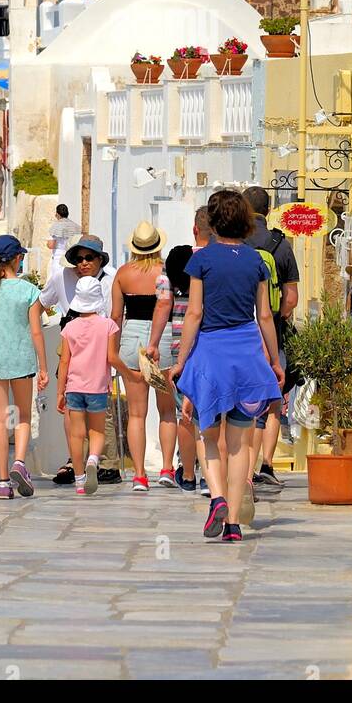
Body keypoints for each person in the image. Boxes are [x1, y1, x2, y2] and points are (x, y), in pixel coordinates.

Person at [172, 189, 284, 543]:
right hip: (248, 355)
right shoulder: (256, 262)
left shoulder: (202, 260)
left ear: (215, 221)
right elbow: (264, 314)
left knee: (209, 436)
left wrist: (180, 360)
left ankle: (217, 497)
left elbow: (194, 313)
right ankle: (234, 523)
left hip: (211, 354)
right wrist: (274, 359)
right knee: (240, 442)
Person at [38, 234, 122, 486]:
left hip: (100, 346)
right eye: (79, 258)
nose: (83, 263)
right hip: (72, 346)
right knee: (75, 414)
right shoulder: (62, 278)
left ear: (100, 259)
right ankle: (80, 463)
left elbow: (115, 315)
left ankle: (106, 464)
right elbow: (41, 303)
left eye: (89, 258)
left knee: (100, 415)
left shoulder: (111, 280)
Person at [0, 234, 49, 500]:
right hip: (20, 360)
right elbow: (36, 332)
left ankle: (3, 481)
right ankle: (19, 461)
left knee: (0, 419)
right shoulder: (29, 291)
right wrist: (43, 367)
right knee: (22, 417)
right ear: (17, 258)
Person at [148, 206, 212, 493]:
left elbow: (163, 303)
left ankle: (187, 474)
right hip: (215, 345)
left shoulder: (175, 260)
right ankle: (213, 475)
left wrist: (153, 342)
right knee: (214, 412)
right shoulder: (222, 260)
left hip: (180, 346)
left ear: (195, 229)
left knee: (185, 416)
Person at [56, 276, 140, 495]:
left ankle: (79, 480)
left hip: (74, 387)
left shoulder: (69, 328)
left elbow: (64, 361)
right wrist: (129, 374)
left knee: (76, 434)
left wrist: (60, 391)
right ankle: (93, 459)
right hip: (98, 388)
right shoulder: (108, 326)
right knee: (98, 431)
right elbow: (112, 357)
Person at [111, 221, 177, 492]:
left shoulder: (123, 273)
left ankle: (139, 475)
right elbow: (168, 304)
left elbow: (116, 315)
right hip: (162, 337)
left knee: (136, 414)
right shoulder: (166, 273)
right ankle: (166, 468)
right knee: (167, 410)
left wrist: (113, 351)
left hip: (132, 339)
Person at [242, 186, 300, 492]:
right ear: (269, 208)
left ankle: (244, 468)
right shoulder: (281, 243)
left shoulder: (234, 241)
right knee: (273, 401)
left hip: (240, 333)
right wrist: (279, 318)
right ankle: (266, 463)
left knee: (244, 403)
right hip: (273, 330)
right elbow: (291, 297)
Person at [47, 203, 82, 268]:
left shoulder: (56, 226)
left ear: (57, 214)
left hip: (58, 257)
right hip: (72, 256)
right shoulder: (76, 226)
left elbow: (51, 245)